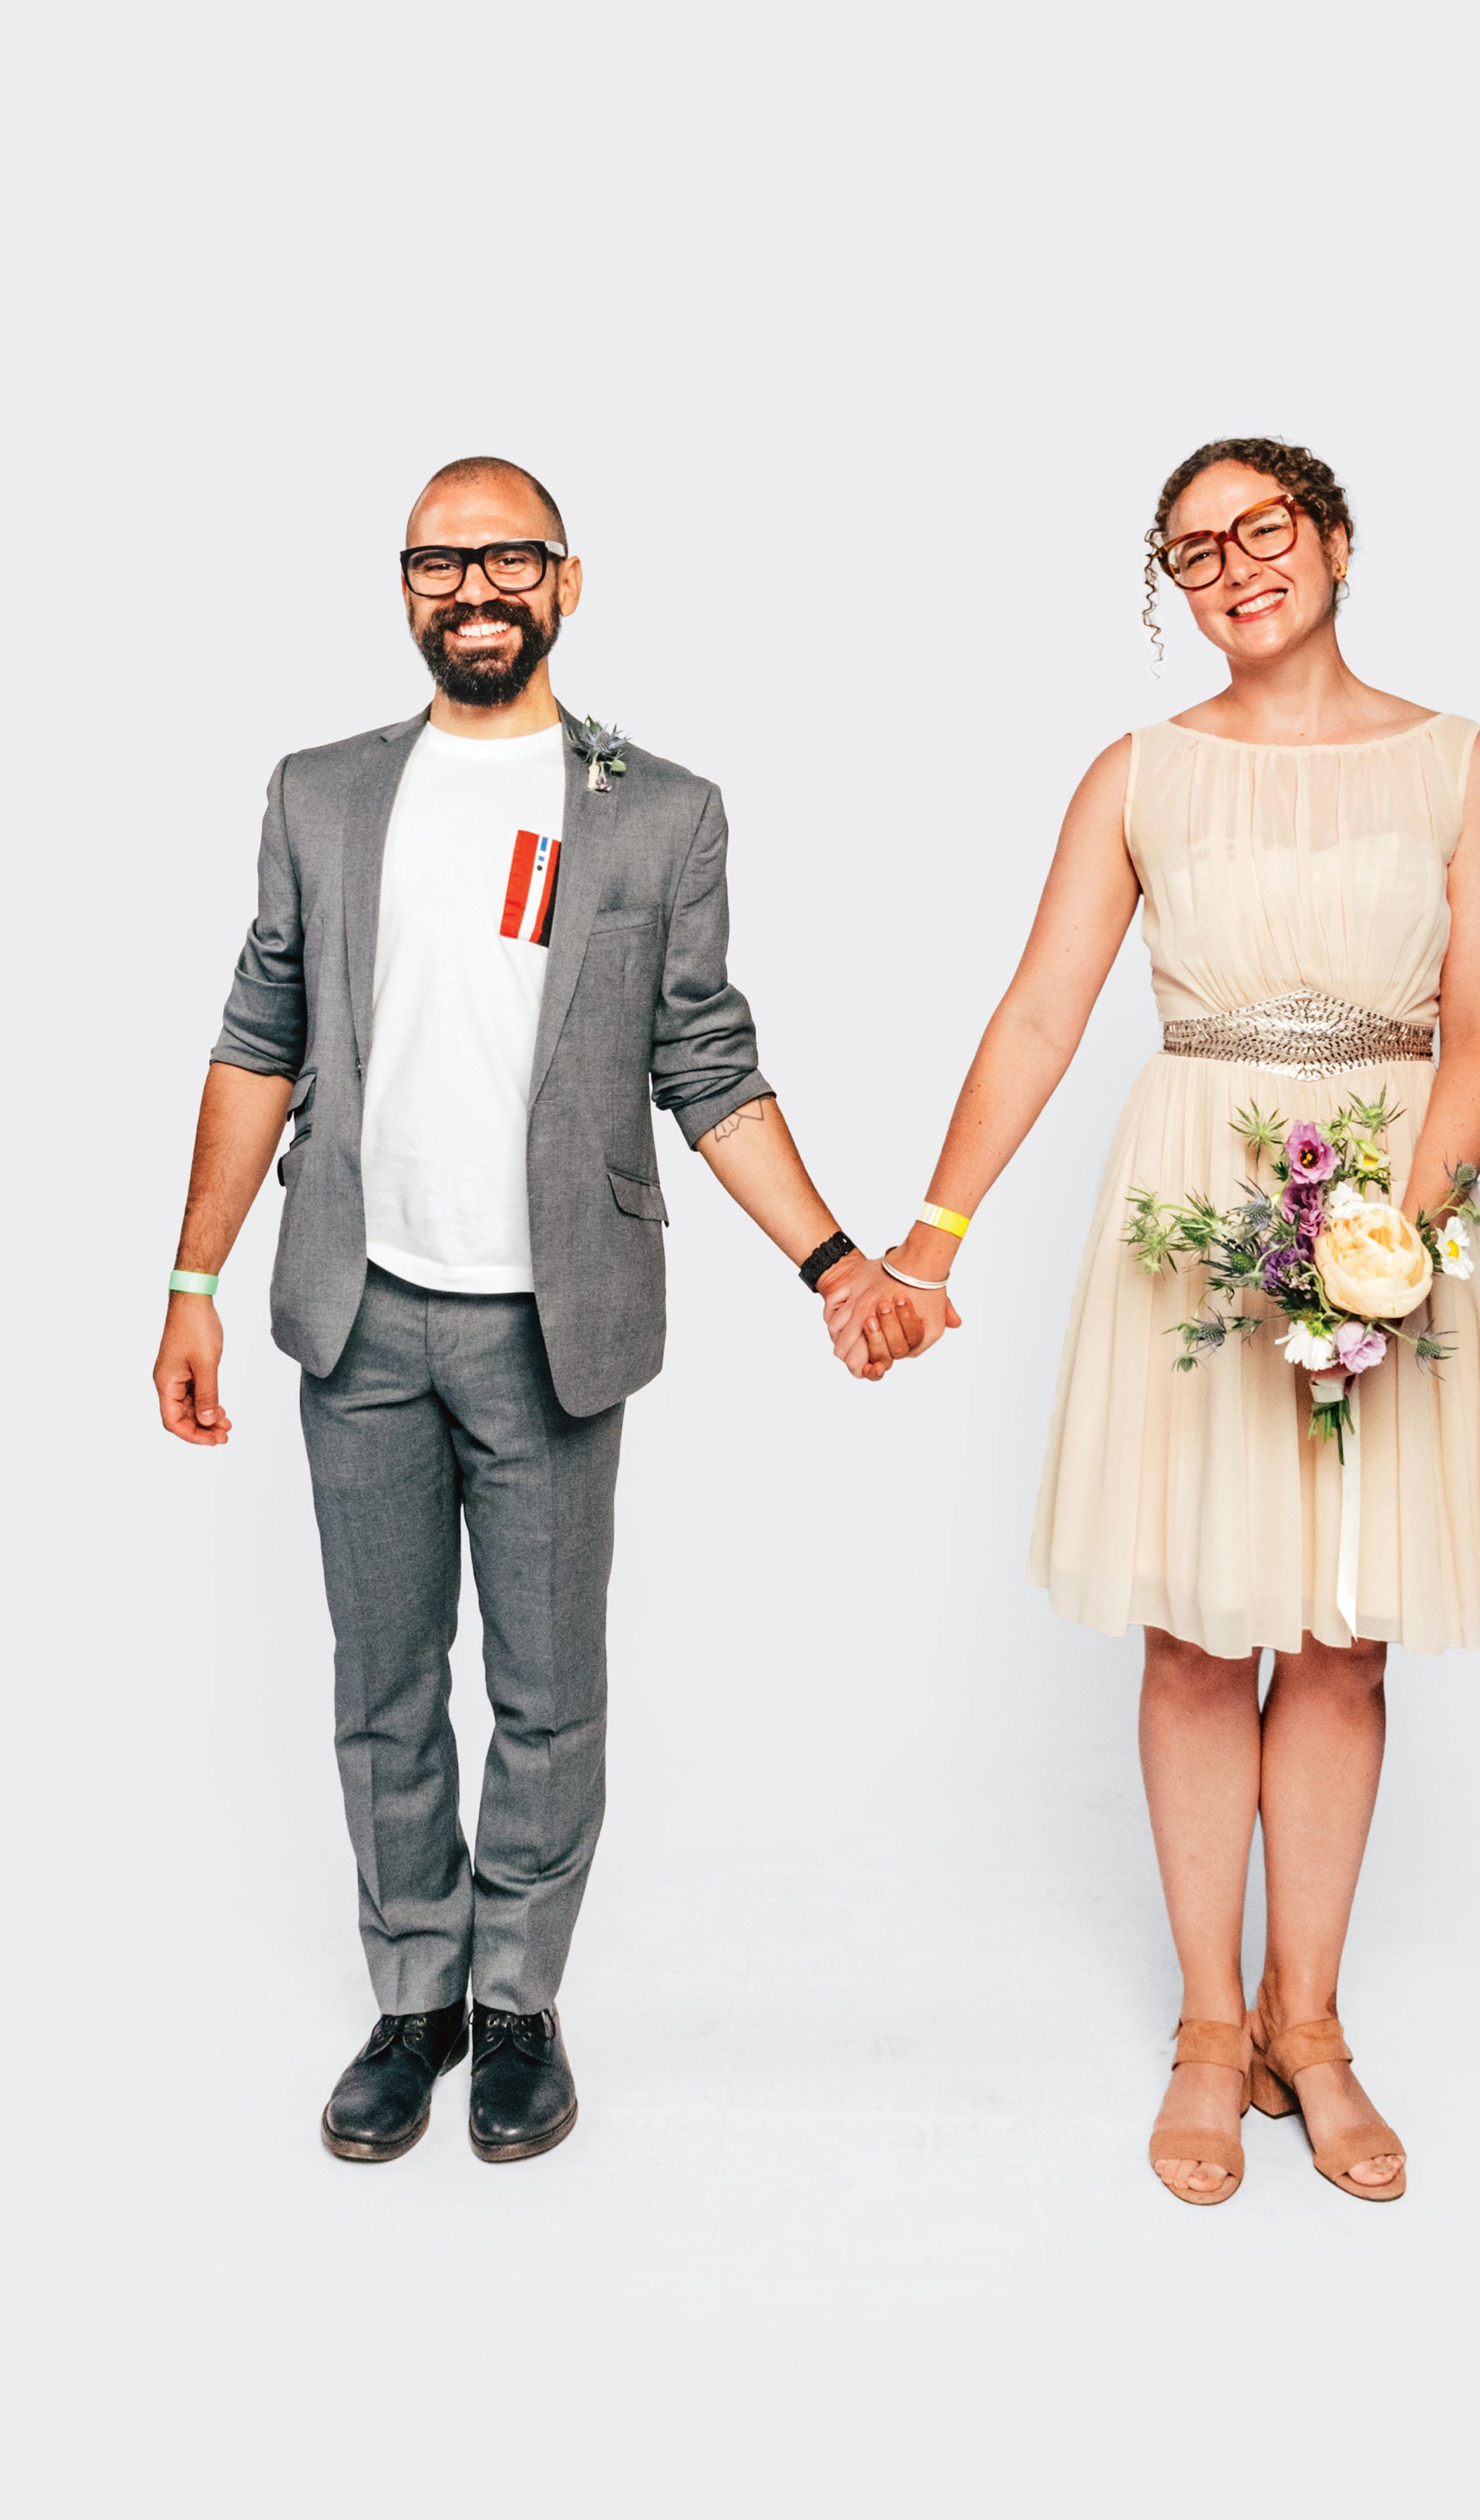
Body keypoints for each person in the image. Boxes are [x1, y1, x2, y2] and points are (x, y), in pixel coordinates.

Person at [153, 454, 928, 2165]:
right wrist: (193, 1278)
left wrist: (833, 1261)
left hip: (548, 1327)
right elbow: (256, 1041)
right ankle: (411, 1996)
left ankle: (516, 2005)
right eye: (439, 562)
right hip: (353, 1314)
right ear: (407, 589)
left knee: (548, 1689)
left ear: (567, 583)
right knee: (380, 1682)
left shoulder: (658, 809)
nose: (473, 586)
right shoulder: (320, 792)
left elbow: (704, 1062)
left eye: (508, 556)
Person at [828, 438, 1480, 2203]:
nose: (1231, 567)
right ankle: (1209, 2024)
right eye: (1190, 549)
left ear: (1337, 542)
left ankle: (1314, 2021)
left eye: (1261, 529)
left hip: (1381, 1203)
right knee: (1196, 1630)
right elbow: (1039, 1008)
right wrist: (926, 1238)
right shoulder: (1136, 772)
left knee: (1346, 1623)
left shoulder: (1460, 761)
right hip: (1191, 1200)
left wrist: (1395, 1239)